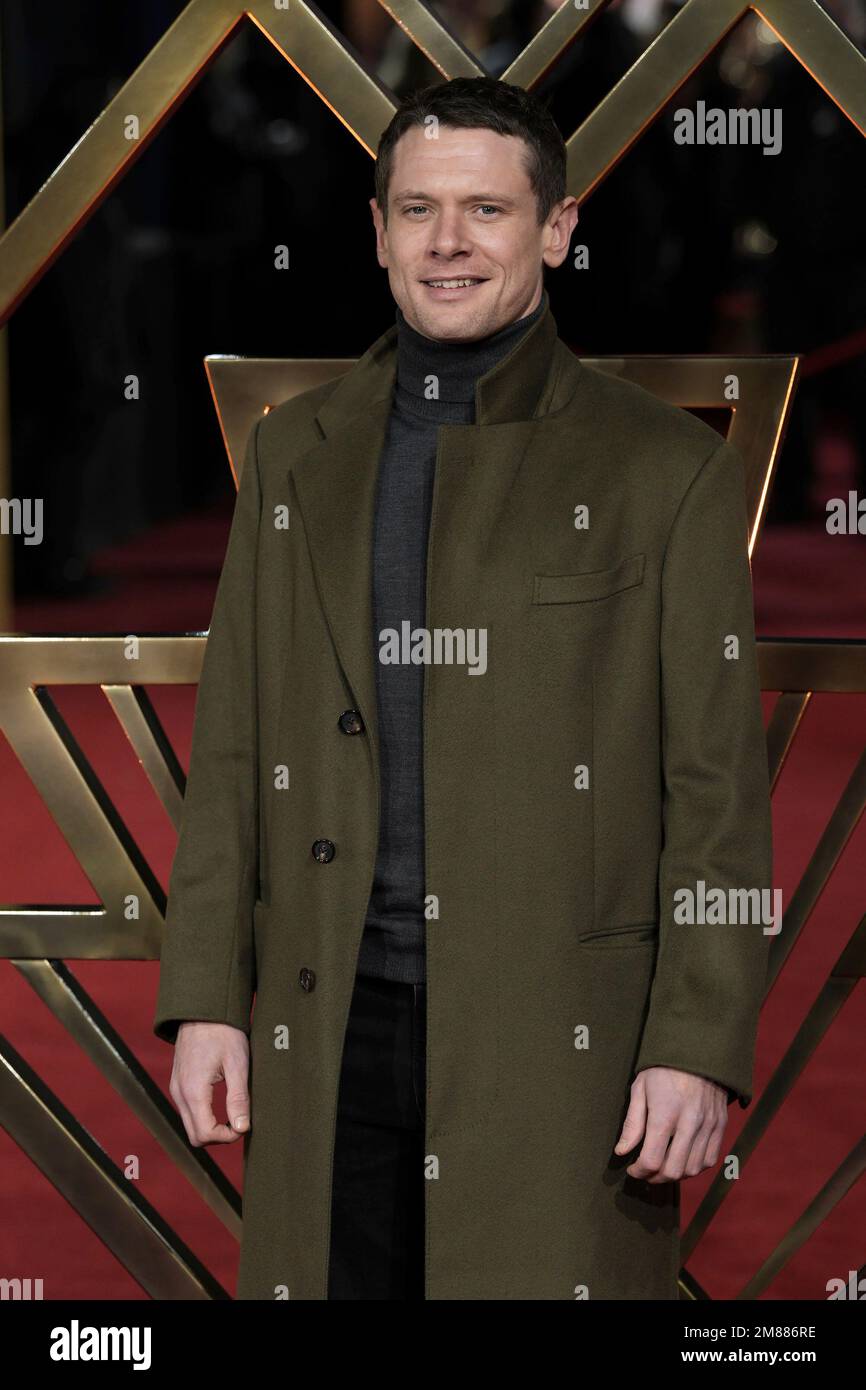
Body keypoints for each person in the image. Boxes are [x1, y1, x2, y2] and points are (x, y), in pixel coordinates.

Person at [154, 75, 773, 1300]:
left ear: (555, 229)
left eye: (486, 211)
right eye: (418, 209)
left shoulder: (667, 471)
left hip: (561, 1039)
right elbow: (235, 746)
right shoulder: (295, 451)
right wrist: (208, 1000)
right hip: (330, 1018)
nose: (447, 243)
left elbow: (714, 789)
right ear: (375, 228)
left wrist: (695, 1043)